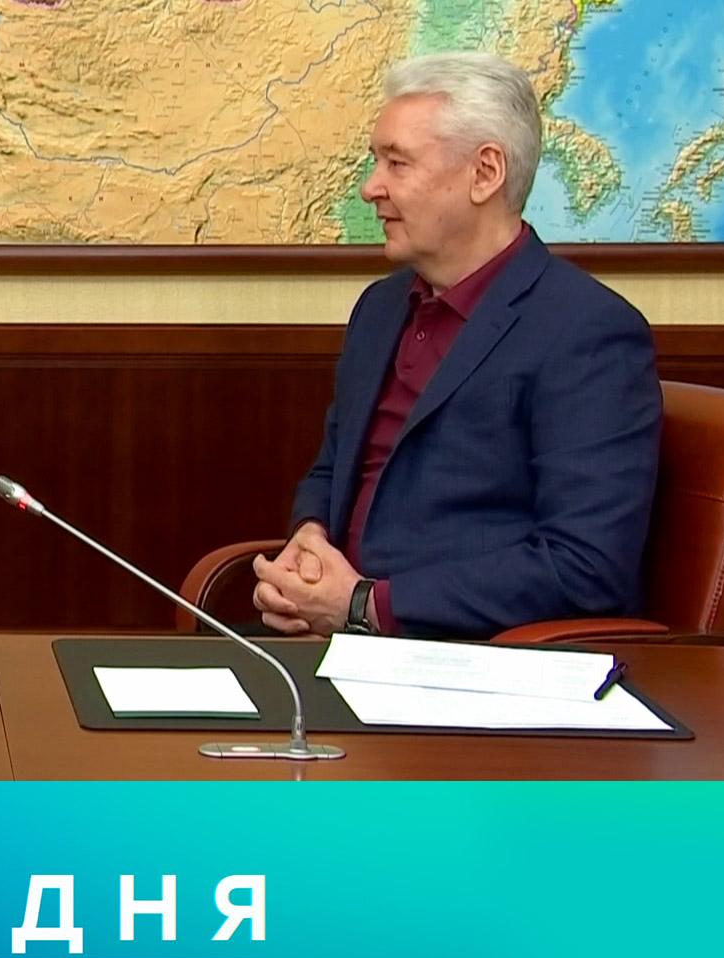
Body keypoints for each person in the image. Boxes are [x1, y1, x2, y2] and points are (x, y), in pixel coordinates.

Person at [252, 53, 661, 640]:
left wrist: (364, 604)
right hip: (333, 642)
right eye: (376, 161)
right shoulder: (380, 308)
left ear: (484, 173)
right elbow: (332, 469)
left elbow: (585, 567)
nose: (371, 188)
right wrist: (309, 544)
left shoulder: (587, 332)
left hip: (470, 662)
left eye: (397, 163)